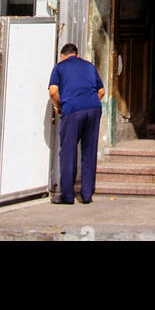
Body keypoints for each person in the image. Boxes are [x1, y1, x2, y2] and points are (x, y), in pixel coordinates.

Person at [48, 42, 105, 205]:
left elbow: (53, 91)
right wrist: (89, 102)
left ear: (63, 56)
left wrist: (60, 106)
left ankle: (67, 195)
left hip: (72, 110)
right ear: (77, 55)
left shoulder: (59, 68)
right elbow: (101, 91)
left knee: (68, 152)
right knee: (89, 151)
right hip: (93, 108)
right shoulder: (89, 66)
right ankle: (87, 195)